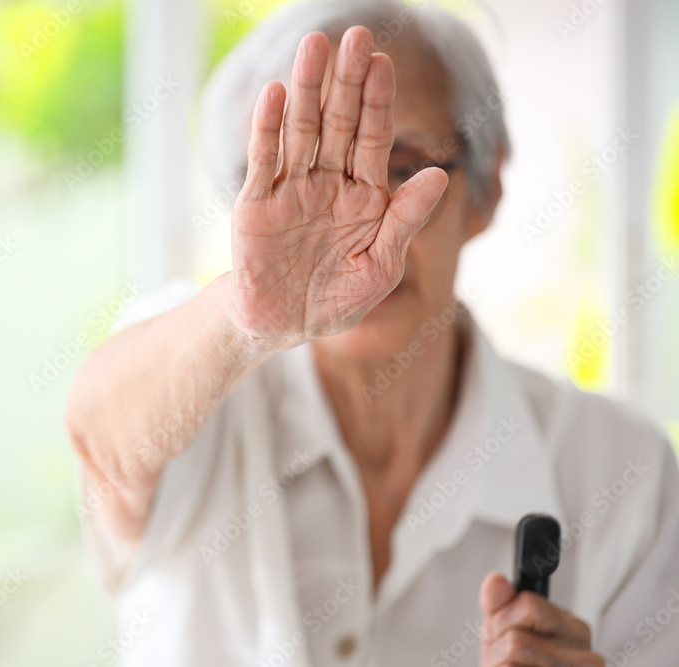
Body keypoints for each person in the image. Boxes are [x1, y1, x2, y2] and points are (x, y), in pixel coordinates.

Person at [65, 1, 679, 665]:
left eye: (405, 169)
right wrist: (246, 314)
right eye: (307, 179)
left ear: (489, 186)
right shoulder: (194, 371)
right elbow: (101, 438)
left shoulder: (623, 470)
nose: (358, 236)